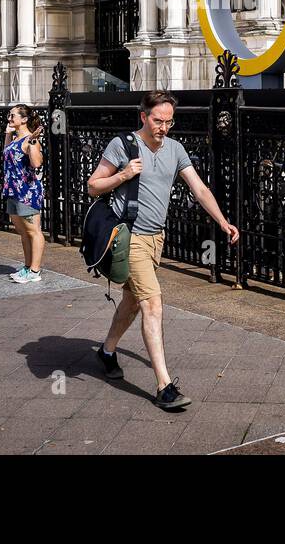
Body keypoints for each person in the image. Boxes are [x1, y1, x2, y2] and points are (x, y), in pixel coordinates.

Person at [87, 90, 239, 410]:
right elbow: (93, 185)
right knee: (152, 305)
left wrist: (223, 222)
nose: (163, 127)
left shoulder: (175, 148)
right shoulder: (123, 146)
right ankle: (164, 386)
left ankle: (107, 351)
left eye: (169, 122)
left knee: (131, 301)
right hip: (131, 238)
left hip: (157, 239)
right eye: (158, 121)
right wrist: (124, 174)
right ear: (143, 117)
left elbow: (198, 188)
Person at [2, 104, 46, 283]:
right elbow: (6, 154)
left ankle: (35, 271)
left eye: (13, 116)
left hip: (27, 192)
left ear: (24, 119)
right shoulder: (14, 138)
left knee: (33, 230)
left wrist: (34, 142)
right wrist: (7, 134)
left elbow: (36, 164)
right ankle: (27, 267)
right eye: (9, 115)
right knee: (22, 231)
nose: (10, 118)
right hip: (12, 189)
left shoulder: (30, 139)